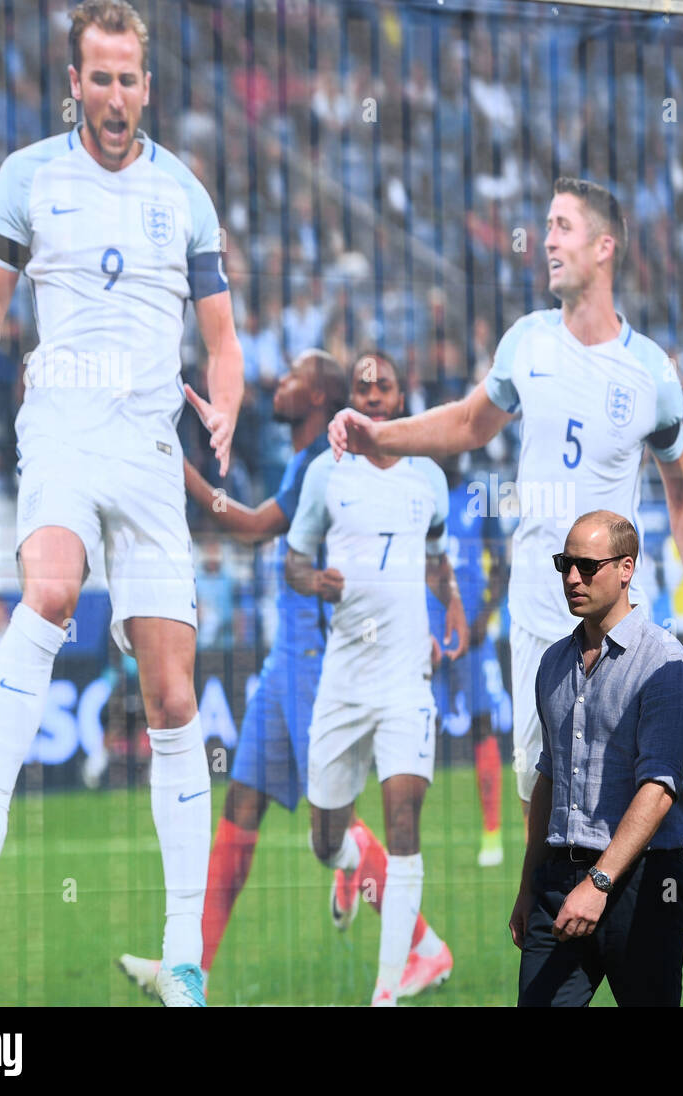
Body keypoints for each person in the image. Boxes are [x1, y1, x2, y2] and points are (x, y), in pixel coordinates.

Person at [0, 0, 244, 1008]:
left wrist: (230, 405)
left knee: (173, 701)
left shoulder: (184, 194)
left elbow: (222, 338)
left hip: (153, 448)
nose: (114, 96)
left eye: (129, 79)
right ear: (73, 81)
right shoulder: (28, 177)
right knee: (55, 589)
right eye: (98, 77)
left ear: (146, 86)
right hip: (63, 422)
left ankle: (183, 958)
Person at [328, 177, 683, 825]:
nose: (547, 240)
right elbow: (466, 424)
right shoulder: (528, 342)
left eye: (563, 226)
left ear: (604, 247)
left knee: (621, 798)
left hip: (619, 618)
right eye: (547, 226)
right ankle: (553, 922)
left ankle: (615, 918)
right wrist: (380, 436)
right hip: (537, 615)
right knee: (541, 800)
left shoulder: (651, 374)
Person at [117, 350, 452, 1001]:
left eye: (296, 374)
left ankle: (423, 947)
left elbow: (242, 528)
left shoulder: (327, 466)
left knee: (338, 823)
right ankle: (192, 967)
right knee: (240, 806)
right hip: (282, 660)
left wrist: (171, 461)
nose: (281, 380)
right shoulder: (308, 464)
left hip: (319, 661)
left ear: (323, 398)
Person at [286, 351, 466, 1007]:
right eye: (362, 387)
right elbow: (295, 561)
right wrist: (314, 582)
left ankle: (387, 991)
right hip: (343, 679)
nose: (373, 394)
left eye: (384, 385)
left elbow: (438, 557)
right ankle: (349, 865)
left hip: (404, 679)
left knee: (404, 819)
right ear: (351, 399)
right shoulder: (325, 473)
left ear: (400, 394)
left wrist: (452, 603)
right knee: (324, 838)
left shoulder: (428, 476)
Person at [510, 510, 683, 1007]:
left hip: (643, 883)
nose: (572, 577)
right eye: (564, 564)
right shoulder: (552, 662)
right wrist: (529, 886)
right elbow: (548, 778)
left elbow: (658, 790)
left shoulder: (665, 663)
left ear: (626, 569)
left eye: (587, 566)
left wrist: (599, 882)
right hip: (558, 879)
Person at [426, 455, 510, 867]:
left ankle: (491, 833)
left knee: (482, 725)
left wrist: (483, 617)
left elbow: (503, 567)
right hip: (426, 630)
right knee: (413, 725)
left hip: (472, 632)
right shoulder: (420, 490)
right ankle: (409, 836)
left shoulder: (481, 496)